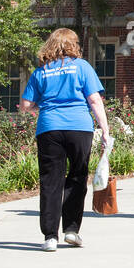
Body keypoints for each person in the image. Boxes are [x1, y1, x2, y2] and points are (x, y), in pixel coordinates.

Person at [20, 28, 111, 251]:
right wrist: (105, 130)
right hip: (79, 128)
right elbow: (94, 100)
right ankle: (71, 230)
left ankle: (50, 236)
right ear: (74, 45)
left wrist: (43, 107)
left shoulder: (41, 72)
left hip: (49, 128)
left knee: (51, 181)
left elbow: (25, 106)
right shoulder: (82, 67)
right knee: (78, 177)